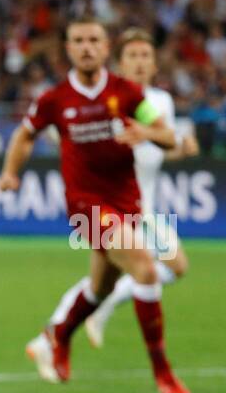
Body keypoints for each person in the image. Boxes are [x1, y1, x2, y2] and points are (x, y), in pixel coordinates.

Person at [0, 15, 189, 393]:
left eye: (94, 40)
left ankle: (58, 336)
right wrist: (10, 173)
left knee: (102, 288)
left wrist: (147, 132)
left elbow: (170, 137)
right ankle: (164, 373)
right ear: (68, 49)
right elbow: (25, 134)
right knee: (147, 268)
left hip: (127, 203)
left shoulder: (128, 94)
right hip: (87, 206)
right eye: (78, 40)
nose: (86, 47)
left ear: (105, 49)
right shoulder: (55, 99)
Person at [82, 28, 199, 348]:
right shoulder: (110, 100)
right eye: (132, 56)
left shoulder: (162, 101)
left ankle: (77, 321)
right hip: (116, 206)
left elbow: (161, 149)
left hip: (144, 208)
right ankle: (60, 330)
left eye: (145, 55)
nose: (139, 62)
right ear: (119, 63)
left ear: (155, 64)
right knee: (171, 265)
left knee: (124, 275)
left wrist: (180, 149)